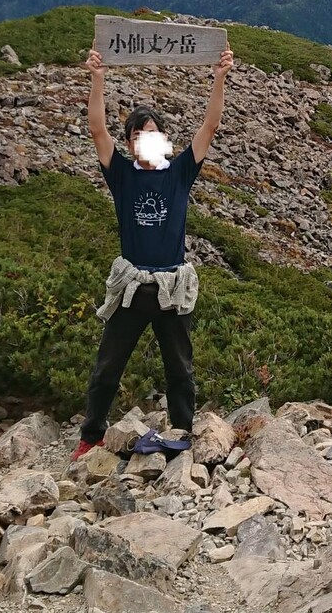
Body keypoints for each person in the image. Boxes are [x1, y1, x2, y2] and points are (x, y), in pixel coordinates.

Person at [70, 43, 234, 461]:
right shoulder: (122, 175)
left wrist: (219, 78)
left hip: (171, 288)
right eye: (137, 134)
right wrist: (97, 79)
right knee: (108, 365)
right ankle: (91, 435)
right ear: (129, 142)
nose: (144, 139)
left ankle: (181, 433)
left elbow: (209, 127)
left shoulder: (179, 172)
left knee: (180, 368)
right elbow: (96, 131)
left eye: (152, 133)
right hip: (132, 287)